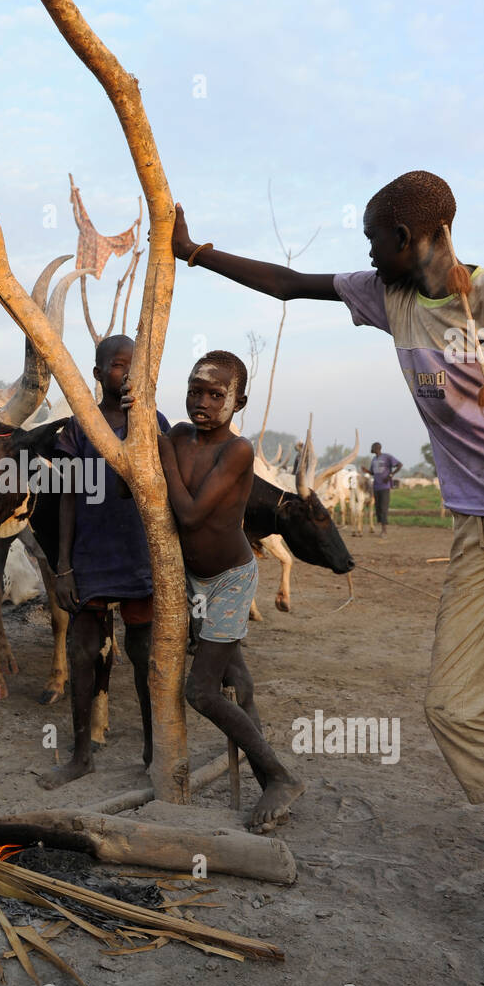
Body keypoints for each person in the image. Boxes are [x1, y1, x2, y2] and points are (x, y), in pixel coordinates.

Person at [173, 169, 484, 805]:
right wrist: (195, 254)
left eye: (373, 240)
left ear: (405, 236)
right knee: (452, 709)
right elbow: (287, 285)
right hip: (474, 529)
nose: (366, 253)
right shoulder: (388, 295)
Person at [157, 351, 304, 833]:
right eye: (195, 391)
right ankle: (271, 777)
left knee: (201, 691)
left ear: (237, 402)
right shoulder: (178, 436)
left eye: (216, 395)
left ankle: (280, 776)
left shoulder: (235, 452)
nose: (202, 401)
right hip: (190, 579)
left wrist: (161, 456)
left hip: (229, 579)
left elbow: (191, 515)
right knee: (235, 680)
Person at [46, 335, 169, 787]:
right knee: (81, 653)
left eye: (135, 366)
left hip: (140, 556)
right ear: (97, 375)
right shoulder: (80, 427)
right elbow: (66, 500)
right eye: (119, 366)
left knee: (145, 657)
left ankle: (154, 751)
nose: (128, 374)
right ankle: (81, 755)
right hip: (91, 559)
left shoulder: (153, 423)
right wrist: (62, 565)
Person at [365, 440, 402, 537]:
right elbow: (373, 473)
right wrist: (366, 471)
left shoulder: (387, 457)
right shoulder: (374, 459)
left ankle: (384, 531)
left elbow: (399, 465)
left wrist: (390, 475)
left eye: (372, 447)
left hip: (385, 487)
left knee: (384, 508)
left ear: (377, 448)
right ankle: (382, 528)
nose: (371, 449)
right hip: (376, 487)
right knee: (378, 509)